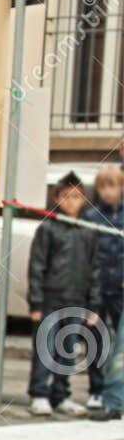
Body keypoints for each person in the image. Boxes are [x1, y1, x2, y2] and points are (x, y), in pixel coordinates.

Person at [27, 171, 97, 417]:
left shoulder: (88, 232)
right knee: (45, 347)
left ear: (83, 201)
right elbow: (37, 266)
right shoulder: (48, 229)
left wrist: (93, 306)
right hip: (50, 298)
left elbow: (94, 270)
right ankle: (39, 393)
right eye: (66, 196)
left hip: (77, 300)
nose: (71, 201)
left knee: (67, 350)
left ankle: (61, 394)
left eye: (76, 197)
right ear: (56, 198)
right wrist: (35, 302)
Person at [84, 163, 123, 422]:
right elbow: (88, 256)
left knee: (120, 347)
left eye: (113, 186)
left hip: (120, 290)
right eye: (103, 187)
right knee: (97, 340)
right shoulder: (92, 218)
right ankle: (97, 390)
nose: (108, 192)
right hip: (98, 289)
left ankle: (115, 397)